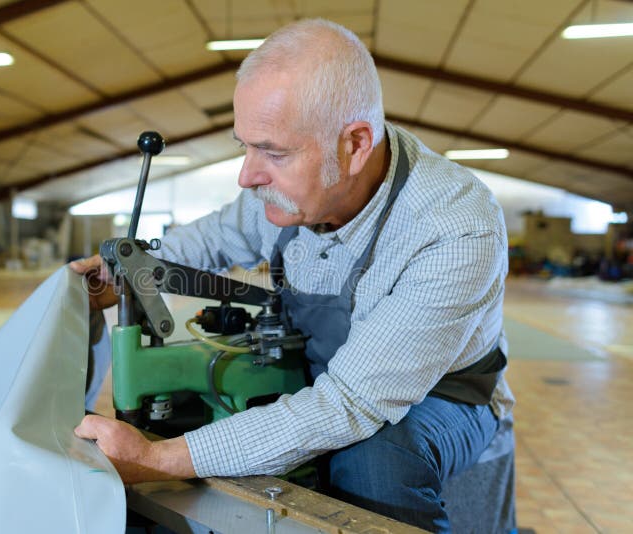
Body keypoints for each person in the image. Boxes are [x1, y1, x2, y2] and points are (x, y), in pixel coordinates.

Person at [71, 18, 514, 533]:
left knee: (374, 463)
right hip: (335, 376)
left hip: (446, 395)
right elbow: (209, 240)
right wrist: (118, 276)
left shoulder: (454, 226)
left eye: (274, 152)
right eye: (245, 146)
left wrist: (162, 459)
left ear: (354, 144)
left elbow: (350, 402)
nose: (248, 175)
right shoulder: (285, 191)